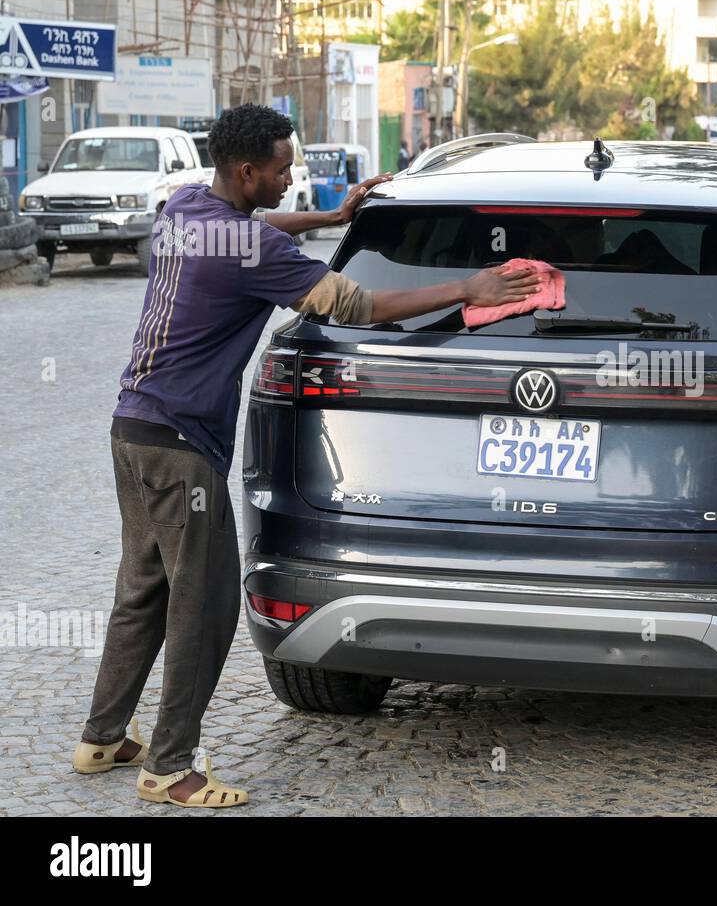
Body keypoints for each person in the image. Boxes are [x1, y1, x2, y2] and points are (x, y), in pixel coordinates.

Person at [74, 103, 539, 808]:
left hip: (131, 430)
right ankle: (169, 767)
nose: (294, 178)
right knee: (202, 608)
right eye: (284, 168)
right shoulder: (246, 245)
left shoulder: (185, 208)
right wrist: (466, 287)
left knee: (141, 590)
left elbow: (253, 233)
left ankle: (102, 736)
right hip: (180, 448)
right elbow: (351, 305)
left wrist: (327, 222)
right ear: (246, 170)